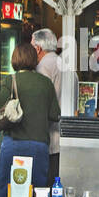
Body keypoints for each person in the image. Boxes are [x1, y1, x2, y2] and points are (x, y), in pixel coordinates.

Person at [0, 42, 60, 197]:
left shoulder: (11, 80)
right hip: (39, 145)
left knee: (6, 187)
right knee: (37, 190)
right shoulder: (45, 83)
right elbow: (54, 114)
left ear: (14, 59)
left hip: (13, 144)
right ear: (34, 59)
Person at [32, 28, 62, 178]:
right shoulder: (64, 63)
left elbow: (40, 103)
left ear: (38, 48)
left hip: (49, 138)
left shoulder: (42, 67)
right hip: (64, 137)